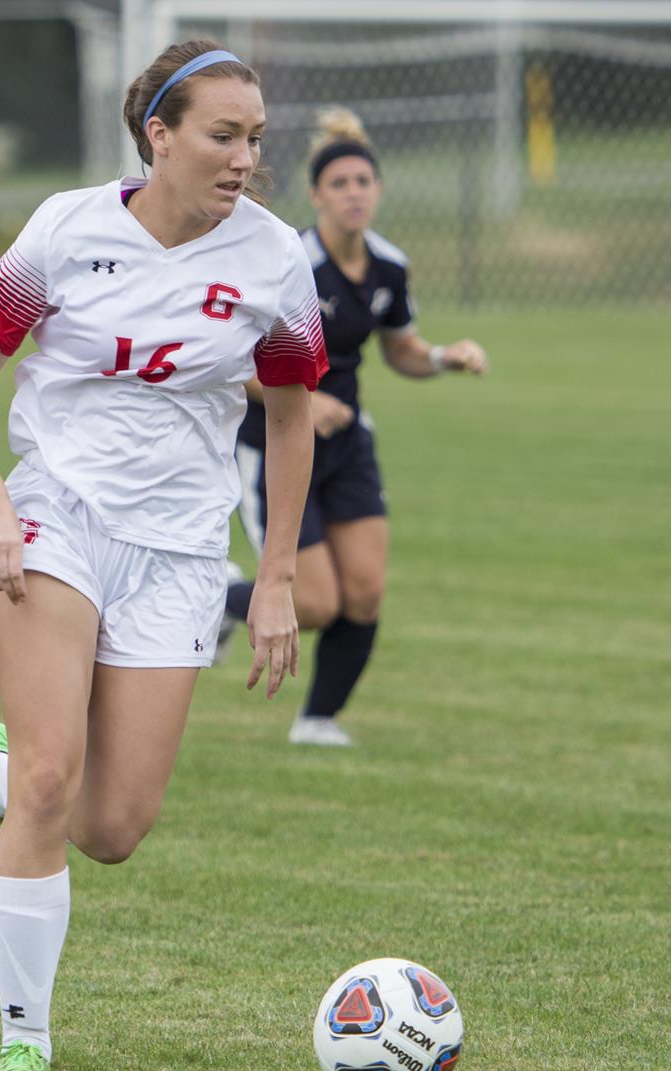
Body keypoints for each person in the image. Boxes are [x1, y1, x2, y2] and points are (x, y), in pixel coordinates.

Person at [0, 40, 323, 1071]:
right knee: (55, 780)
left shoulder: (276, 260)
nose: (244, 158)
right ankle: (25, 1037)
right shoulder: (65, 229)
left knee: (110, 828)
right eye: (221, 135)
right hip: (54, 516)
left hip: (182, 548)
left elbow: (291, 423)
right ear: (159, 134)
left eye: (253, 139)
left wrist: (275, 577)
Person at [221, 108, 487, 747]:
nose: (353, 193)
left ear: (379, 190)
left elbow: (401, 348)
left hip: (349, 448)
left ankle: (317, 721)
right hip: (274, 444)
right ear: (315, 196)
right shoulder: (290, 263)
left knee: (364, 591)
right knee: (313, 603)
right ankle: (228, 596)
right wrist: (301, 403)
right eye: (338, 184)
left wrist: (442, 358)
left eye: (363, 181)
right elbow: (228, 362)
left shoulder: (390, 267)